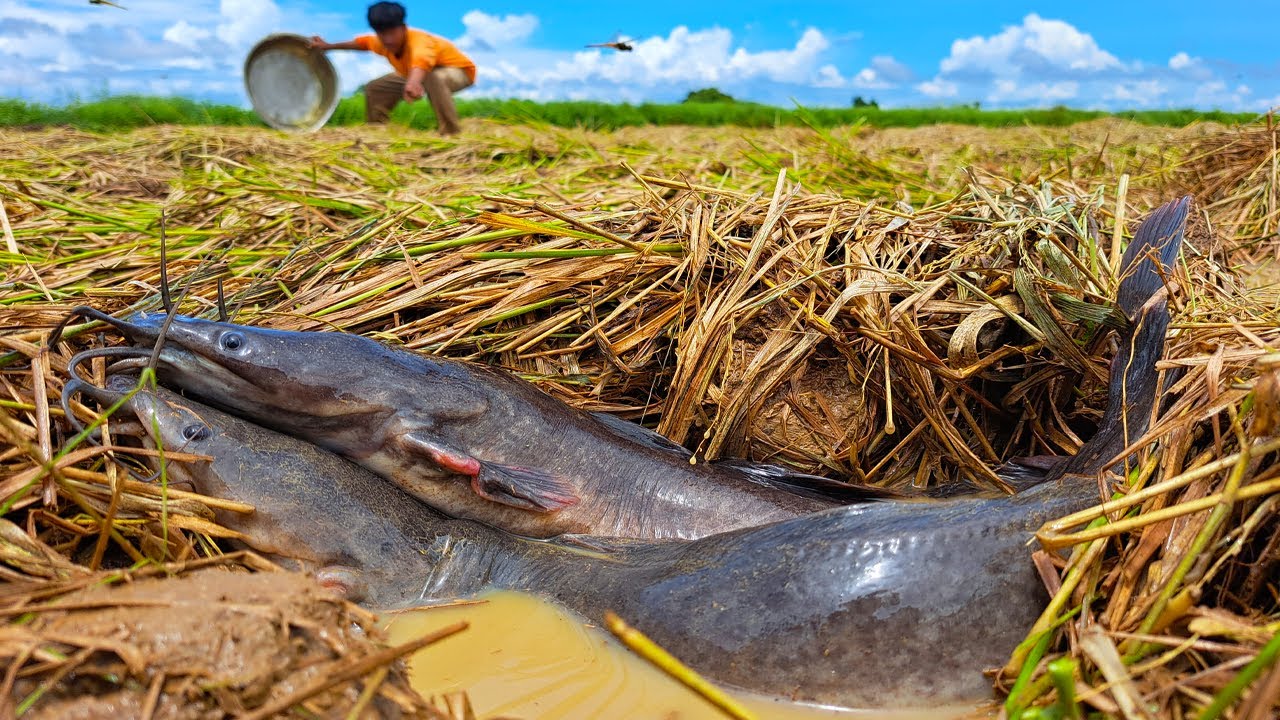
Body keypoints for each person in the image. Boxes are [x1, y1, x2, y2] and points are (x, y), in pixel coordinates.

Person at [310, 2, 476, 135]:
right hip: (417, 73)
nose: (388, 40)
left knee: (433, 77)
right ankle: (376, 132)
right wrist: (330, 46)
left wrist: (412, 84)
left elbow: (422, 62)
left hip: (458, 71)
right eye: (382, 34)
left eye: (392, 33)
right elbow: (362, 43)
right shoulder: (380, 42)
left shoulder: (420, 42)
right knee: (376, 88)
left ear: (403, 28)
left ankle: (450, 133)